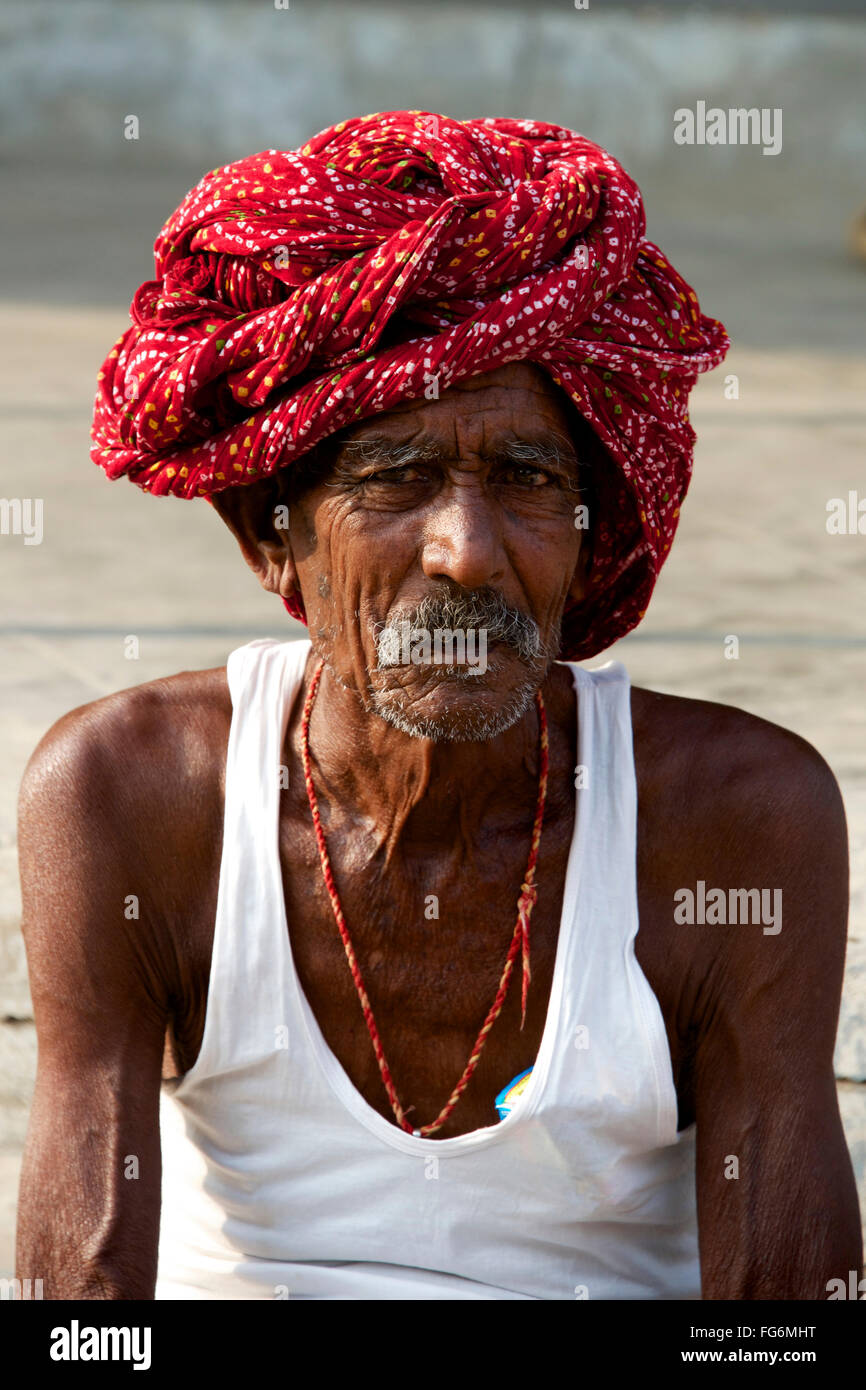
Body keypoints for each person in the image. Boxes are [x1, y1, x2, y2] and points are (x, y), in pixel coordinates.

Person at [16, 111, 861, 1300]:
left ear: (586, 532)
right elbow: (82, 1304)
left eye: (524, 480)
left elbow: (779, 1318)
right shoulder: (126, 794)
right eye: (394, 479)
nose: (466, 551)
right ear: (275, 546)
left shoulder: (737, 818)